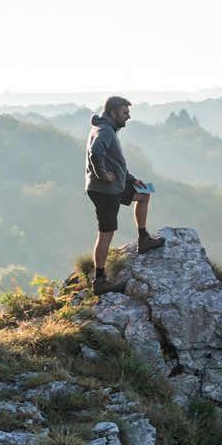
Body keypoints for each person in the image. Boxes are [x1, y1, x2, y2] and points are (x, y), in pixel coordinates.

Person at [85, 95, 165, 295]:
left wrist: (131, 179)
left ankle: (143, 238)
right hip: (104, 190)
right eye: (125, 113)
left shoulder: (107, 129)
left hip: (114, 186)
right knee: (106, 233)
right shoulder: (105, 131)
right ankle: (100, 281)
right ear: (113, 112)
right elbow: (96, 154)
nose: (128, 117)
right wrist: (102, 175)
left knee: (145, 193)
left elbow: (114, 162)